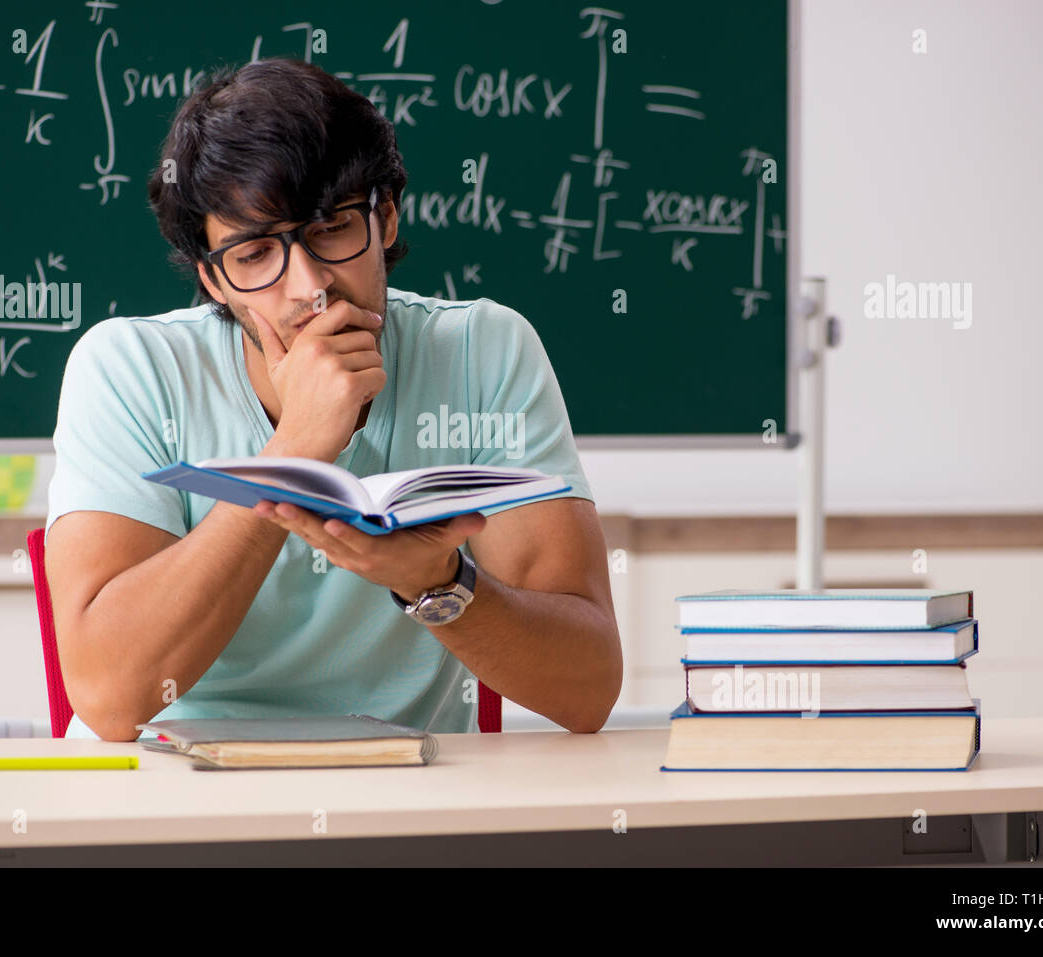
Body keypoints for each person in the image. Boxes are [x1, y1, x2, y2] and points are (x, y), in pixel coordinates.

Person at [43, 58, 621, 741]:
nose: (309, 286)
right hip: (174, 813)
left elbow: (587, 693)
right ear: (212, 278)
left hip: (398, 813)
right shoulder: (128, 368)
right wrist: (292, 454)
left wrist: (440, 583)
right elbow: (110, 698)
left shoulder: (482, 352)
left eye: (330, 228)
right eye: (256, 254)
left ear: (384, 215)